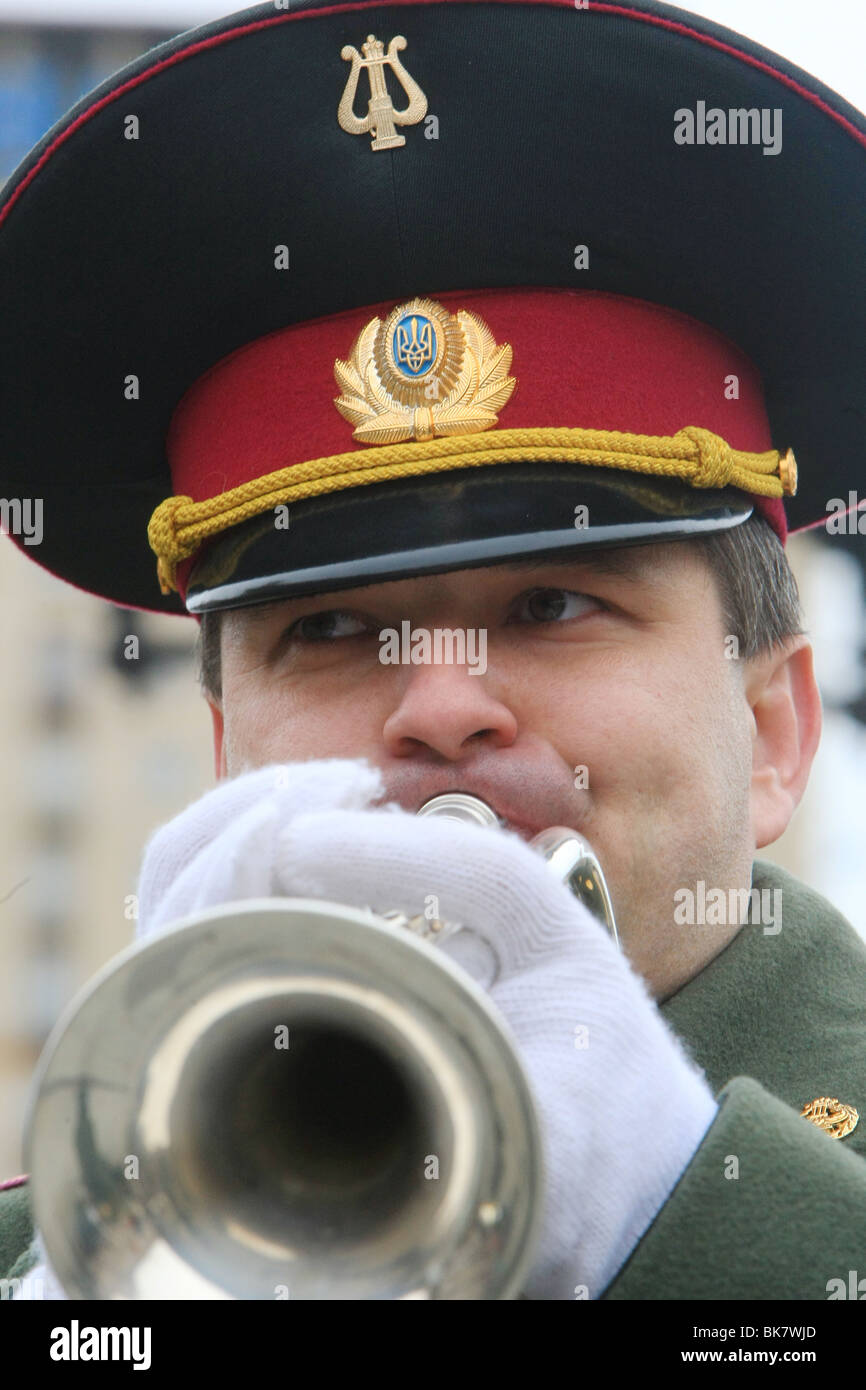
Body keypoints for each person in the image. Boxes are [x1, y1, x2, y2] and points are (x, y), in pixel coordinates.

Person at [1, 0, 865, 1300]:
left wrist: (709, 1236)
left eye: (552, 606)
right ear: (229, 749)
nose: (441, 706)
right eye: (331, 630)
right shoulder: (55, 1264)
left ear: (774, 728)